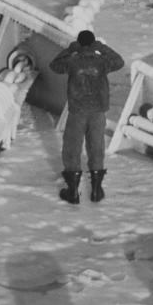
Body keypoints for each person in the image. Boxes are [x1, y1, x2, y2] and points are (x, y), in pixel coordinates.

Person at [48, 29, 125, 204]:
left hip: (77, 112)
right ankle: (97, 191)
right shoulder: (102, 61)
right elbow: (119, 61)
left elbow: (54, 65)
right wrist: (101, 47)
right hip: (98, 111)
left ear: (79, 43)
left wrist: (70, 49)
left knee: (72, 148)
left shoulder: (72, 61)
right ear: (93, 43)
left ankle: (73, 192)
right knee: (96, 146)